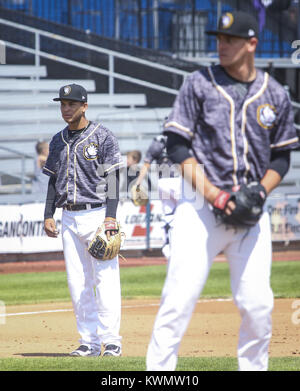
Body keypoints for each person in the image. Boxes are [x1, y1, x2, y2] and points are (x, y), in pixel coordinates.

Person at [146, 10, 299, 371]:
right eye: (218, 38)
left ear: (252, 43)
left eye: (230, 39)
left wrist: (259, 193)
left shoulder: (274, 93)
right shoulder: (198, 83)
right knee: (177, 302)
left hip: (250, 213)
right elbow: (178, 148)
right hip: (200, 209)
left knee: (258, 305)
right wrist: (216, 195)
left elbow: (281, 159)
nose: (222, 44)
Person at [43, 83, 124, 357]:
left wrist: (111, 217)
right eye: (63, 104)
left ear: (84, 106)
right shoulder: (57, 140)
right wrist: (48, 215)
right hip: (68, 216)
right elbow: (54, 180)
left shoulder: (102, 136)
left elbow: (114, 178)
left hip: (97, 215)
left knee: (105, 279)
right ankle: (88, 341)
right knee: (77, 281)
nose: (66, 109)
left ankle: (111, 340)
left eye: (72, 104)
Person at [134, 134, 183, 259]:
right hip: (177, 180)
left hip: (163, 182)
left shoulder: (157, 142)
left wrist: (138, 183)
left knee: (167, 215)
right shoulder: (180, 138)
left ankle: (167, 247)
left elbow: (146, 164)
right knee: (184, 213)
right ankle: (181, 246)